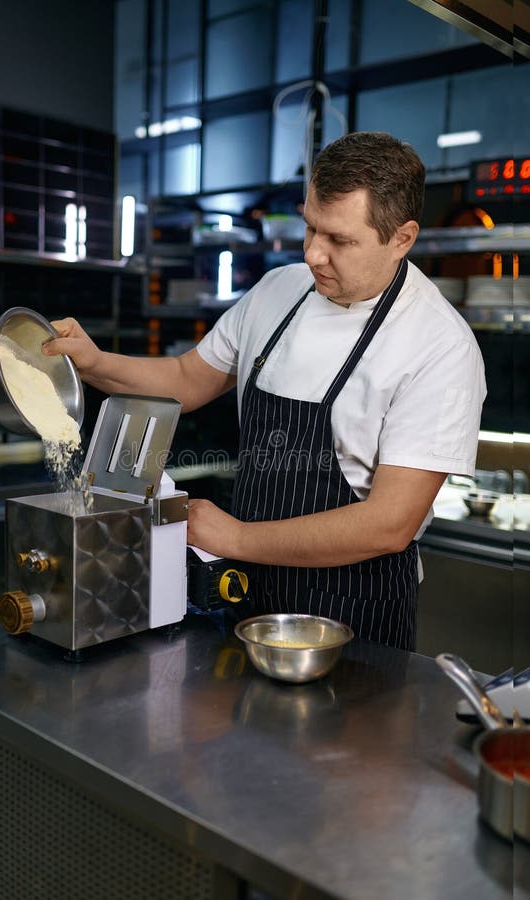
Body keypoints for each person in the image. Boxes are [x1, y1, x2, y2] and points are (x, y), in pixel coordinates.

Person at [43, 131, 486, 651]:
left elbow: (389, 524)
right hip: (245, 593)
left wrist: (232, 537)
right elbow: (186, 380)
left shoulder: (439, 346)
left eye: (339, 240)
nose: (315, 254)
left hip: (354, 615)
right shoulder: (279, 291)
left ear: (402, 238)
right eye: (310, 228)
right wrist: (94, 362)